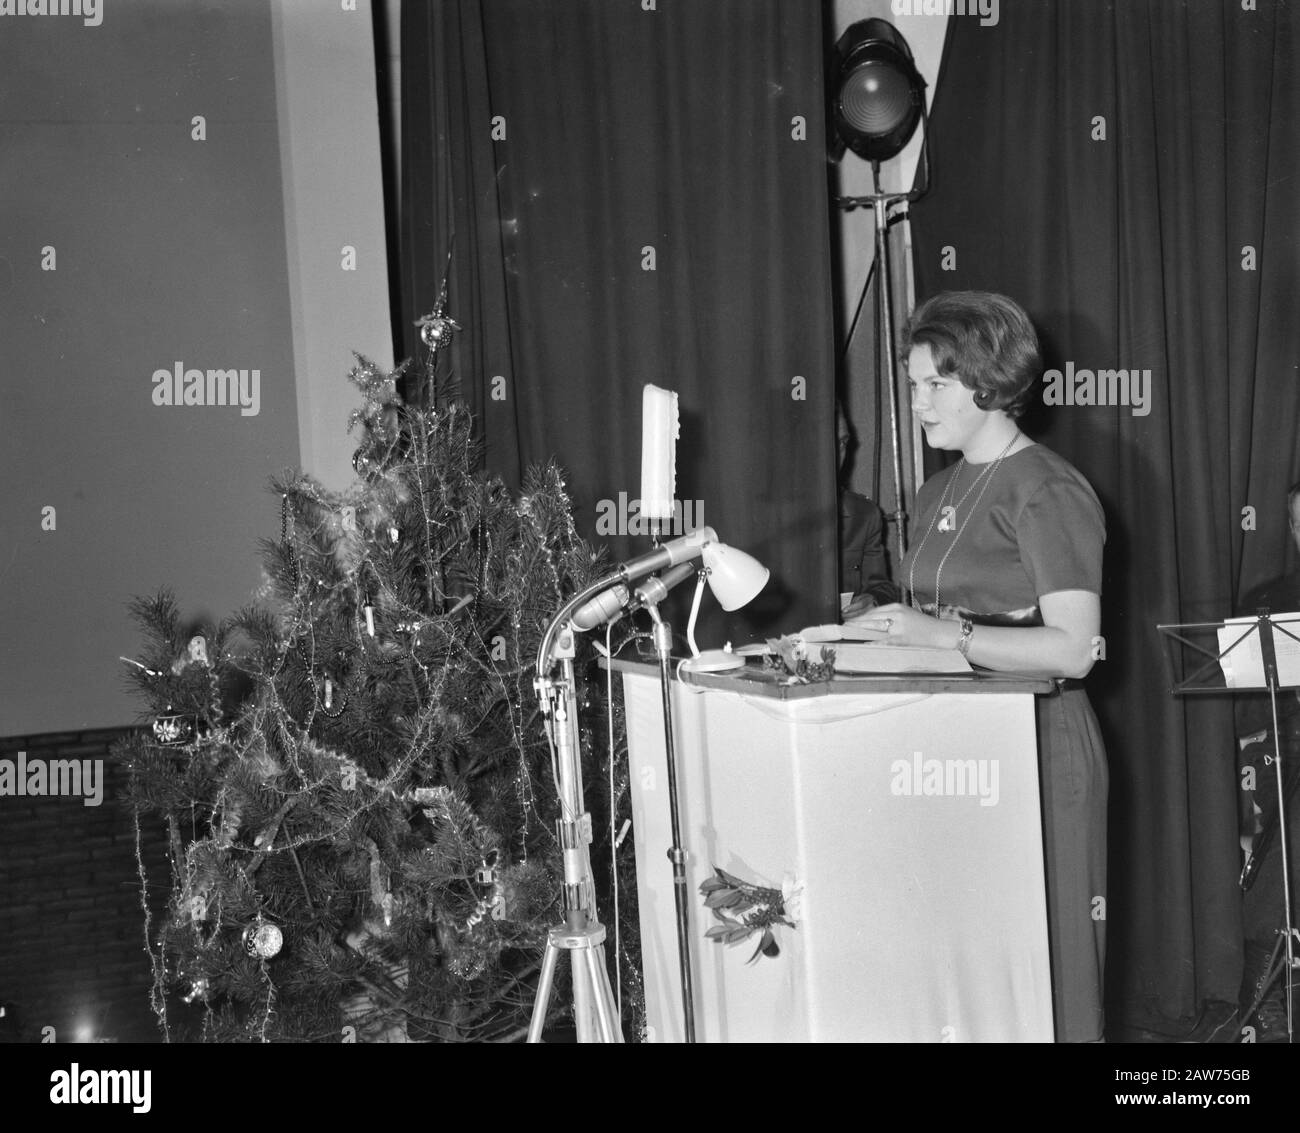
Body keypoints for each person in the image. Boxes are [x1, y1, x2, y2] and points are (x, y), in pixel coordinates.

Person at [845, 291, 1108, 1043]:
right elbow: (919, 626)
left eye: (935, 384)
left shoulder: (1048, 490)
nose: (916, 400)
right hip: (950, 753)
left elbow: (1075, 650)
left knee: (1045, 975)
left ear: (989, 383)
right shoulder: (934, 492)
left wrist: (945, 631)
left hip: (1038, 750)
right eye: (912, 380)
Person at [1234, 481, 1300, 1038]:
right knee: (1276, 864)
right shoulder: (1270, 603)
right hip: (1288, 751)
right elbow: (1249, 705)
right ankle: (1261, 1015)